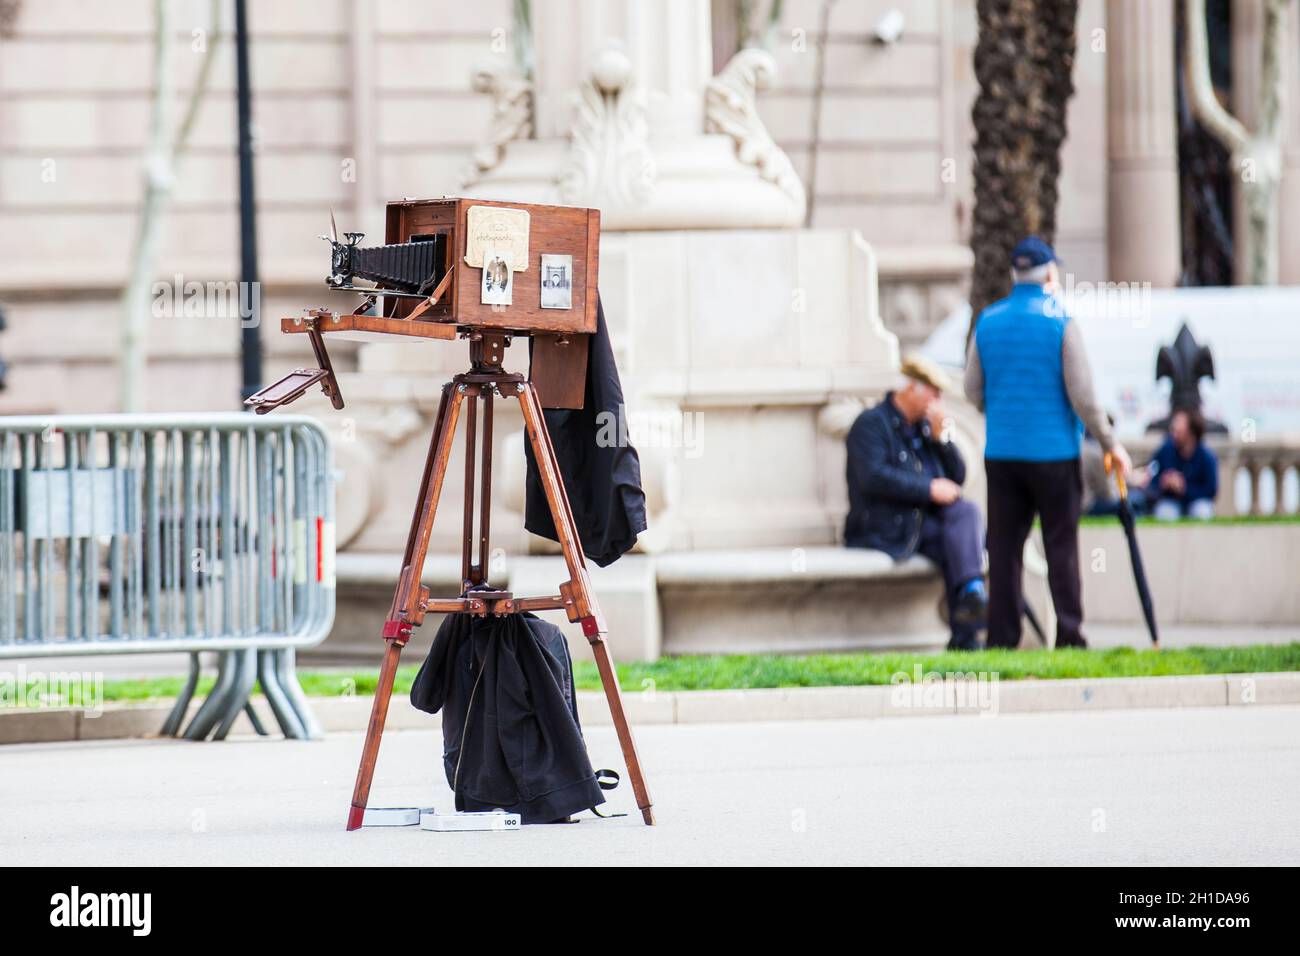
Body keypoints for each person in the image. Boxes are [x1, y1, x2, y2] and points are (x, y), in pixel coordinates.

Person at [964, 237, 1131, 649]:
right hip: (1055, 454)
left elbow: (971, 389)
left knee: (1003, 550)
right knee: (1061, 547)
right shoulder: (1061, 322)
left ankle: (1002, 639)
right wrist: (1110, 444)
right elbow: (1084, 396)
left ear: (1013, 275)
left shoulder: (988, 321)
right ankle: (1070, 635)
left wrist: (1002, 410)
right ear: (1051, 275)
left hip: (1002, 454)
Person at [845, 355, 987, 650]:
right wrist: (929, 488)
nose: (937, 400)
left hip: (924, 525)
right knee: (957, 542)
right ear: (910, 387)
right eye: (932, 391)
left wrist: (942, 439)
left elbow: (957, 478)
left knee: (965, 513)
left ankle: (971, 600)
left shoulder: (927, 428)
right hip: (887, 527)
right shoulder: (871, 424)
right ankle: (968, 628)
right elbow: (873, 477)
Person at [1147, 408, 1218, 520]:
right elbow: (1151, 475)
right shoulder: (1166, 450)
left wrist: (1184, 488)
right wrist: (1164, 481)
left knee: (1201, 512)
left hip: (1197, 501)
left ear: (1191, 432)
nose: (1173, 432)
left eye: (1178, 430)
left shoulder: (1207, 456)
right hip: (1171, 501)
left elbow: (1211, 490)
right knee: (1164, 513)